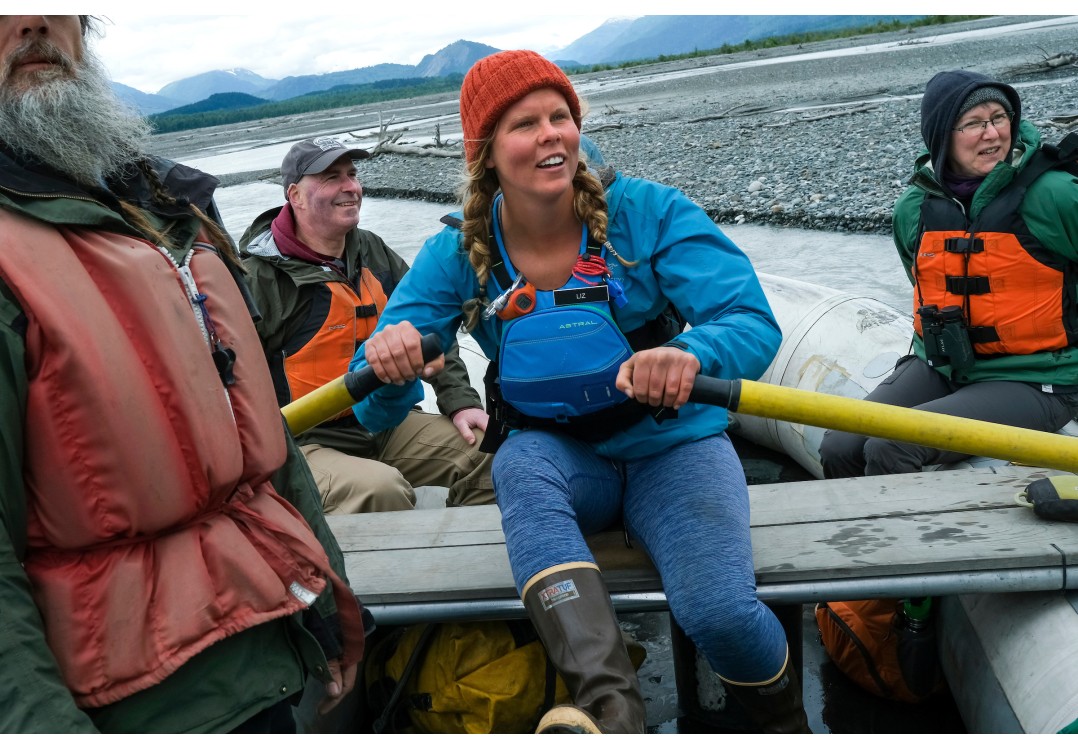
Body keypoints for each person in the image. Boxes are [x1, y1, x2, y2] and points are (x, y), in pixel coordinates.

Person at [348, 50, 809, 733]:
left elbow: (751, 322)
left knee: (719, 615)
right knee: (518, 462)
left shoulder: (647, 214)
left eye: (559, 116)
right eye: (524, 124)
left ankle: (783, 725)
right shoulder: (457, 253)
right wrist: (383, 364)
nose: (550, 135)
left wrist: (689, 352)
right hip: (562, 462)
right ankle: (610, 715)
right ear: (486, 154)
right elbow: (373, 407)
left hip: (672, 448)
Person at [0, 16, 364, 732]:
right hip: (136, 700)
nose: (33, 20)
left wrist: (329, 599)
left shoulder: (157, 206)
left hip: (264, 644)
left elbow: (263, 443)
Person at [818, 70, 1078, 479]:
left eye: (999, 118)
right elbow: (921, 282)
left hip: (1037, 378)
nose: (992, 134)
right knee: (839, 445)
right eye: (974, 123)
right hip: (943, 368)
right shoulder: (914, 208)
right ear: (942, 136)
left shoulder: (1055, 195)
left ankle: (898, 543)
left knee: (892, 445)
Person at [238, 138, 494, 512]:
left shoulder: (373, 251)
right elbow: (227, 383)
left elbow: (431, 330)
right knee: (380, 489)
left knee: (490, 453)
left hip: (387, 423)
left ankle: (454, 560)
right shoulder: (257, 280)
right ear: (296, 195)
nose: (351, 187)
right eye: (331, 178)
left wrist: (459, 403)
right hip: (305, 441)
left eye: (352, 175)